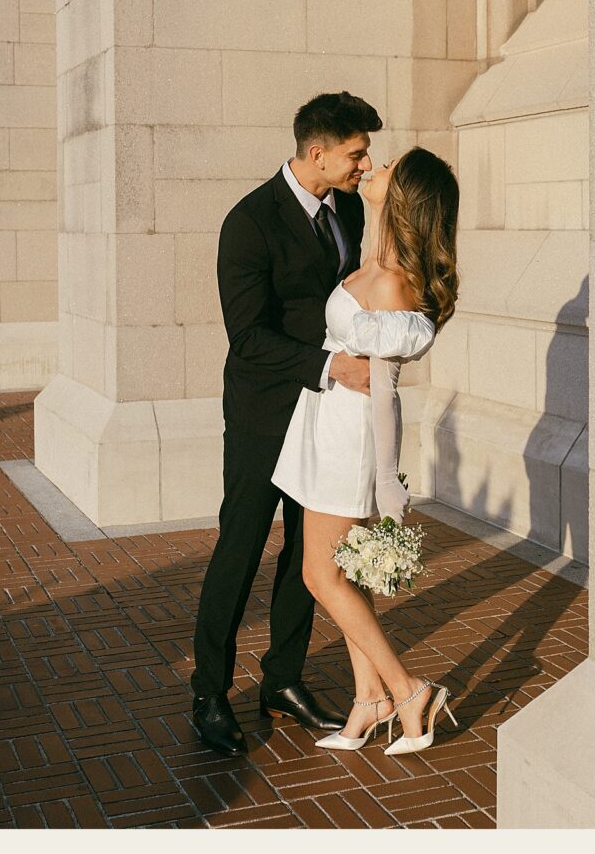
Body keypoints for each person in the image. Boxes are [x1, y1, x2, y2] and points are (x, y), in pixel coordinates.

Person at [189, 92, 383, 756]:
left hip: (326, 416)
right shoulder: (247, 222)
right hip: (263, 414)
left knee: (312, 554)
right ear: (317, 152)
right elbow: (247, 338)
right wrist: (334, 365)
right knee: (239, 551)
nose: (365, 164)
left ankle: (283, 680)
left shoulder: (352, 208)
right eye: (357, 153)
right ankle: (209, 692)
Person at [272, 146, 461, 755]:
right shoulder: (375, 258)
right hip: (326, 422)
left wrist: (386, 477)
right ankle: (369, 699)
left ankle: (409, 691)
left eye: (387, 168)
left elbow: (383, 392)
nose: (372, 165)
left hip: (351, 433)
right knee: (346, 573)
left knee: (319, 573)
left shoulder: (393, 283)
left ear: (403, 195)